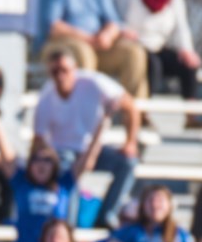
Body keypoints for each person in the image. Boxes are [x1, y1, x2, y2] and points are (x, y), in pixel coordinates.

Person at [34, 48, 141, 226]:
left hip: (95, 149)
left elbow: (130, 106)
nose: (60, 76)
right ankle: (68, 225)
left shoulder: (94, 83)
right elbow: (38, 139)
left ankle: (107, 216)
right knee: (70, 173)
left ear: (75, 69)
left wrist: (130, 142)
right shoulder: (46, 96)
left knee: (127, 163)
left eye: (64, 70)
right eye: (55, 71)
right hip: (63, 153)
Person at [38, 0, 150, 99]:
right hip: (63, 45)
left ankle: (133, 111)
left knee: (133, 53)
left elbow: (113, 22)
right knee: (83, 53)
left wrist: (107, 35)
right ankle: (88, 109)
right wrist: (89, 39)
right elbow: (54, 27)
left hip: (97, 46)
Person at [113, 0, 200, 104]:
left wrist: (187, 50)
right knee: (153, 65)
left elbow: (181, 27)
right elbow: (114, 19)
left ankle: (191, 114)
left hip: (159, 46)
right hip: (136, 46)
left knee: (189, 66)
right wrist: (123, 30)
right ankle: (144, 112)